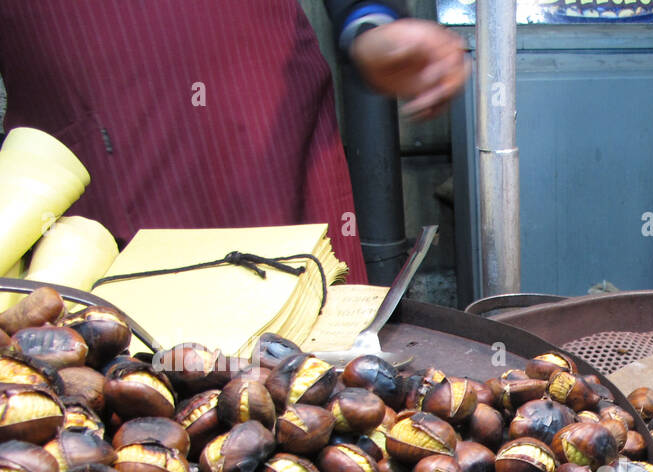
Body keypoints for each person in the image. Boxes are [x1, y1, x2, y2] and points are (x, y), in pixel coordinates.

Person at [0, 1, 468, 283]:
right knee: (99, 392)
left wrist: (370, 21)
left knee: (309, 387)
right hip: (86, 144)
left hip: (262, 120)